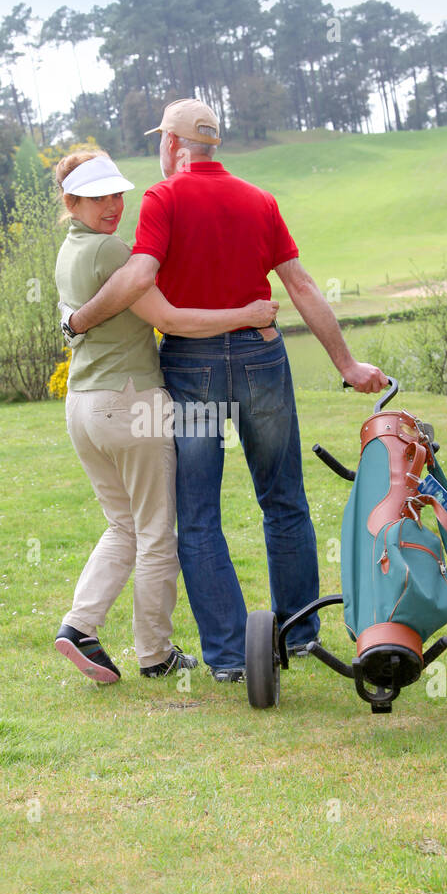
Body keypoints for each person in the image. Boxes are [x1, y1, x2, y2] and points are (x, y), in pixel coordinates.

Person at [64, 101, 388, 682]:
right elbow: (302, 285)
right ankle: (299, 634)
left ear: (172, 145)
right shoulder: (260, 201)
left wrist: (76, 323)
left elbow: (138, 279)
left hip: (193, 369)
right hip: (263, 356)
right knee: (283, 499)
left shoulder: (163, 201)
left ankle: (234, 657)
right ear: (213, 145)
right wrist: (347, 362)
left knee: (198, 514)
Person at [53, 148, 279, 684]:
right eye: (97, 197)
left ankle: (79, 627)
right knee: (156, 533)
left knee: (122, 525)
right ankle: (154, 653)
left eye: (116, 194)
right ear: (71, 202)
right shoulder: (112, 251)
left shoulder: (69, 250)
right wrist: (246, 314)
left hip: (83, 407)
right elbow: (170, 320)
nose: (112, 205)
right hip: (131, 402)